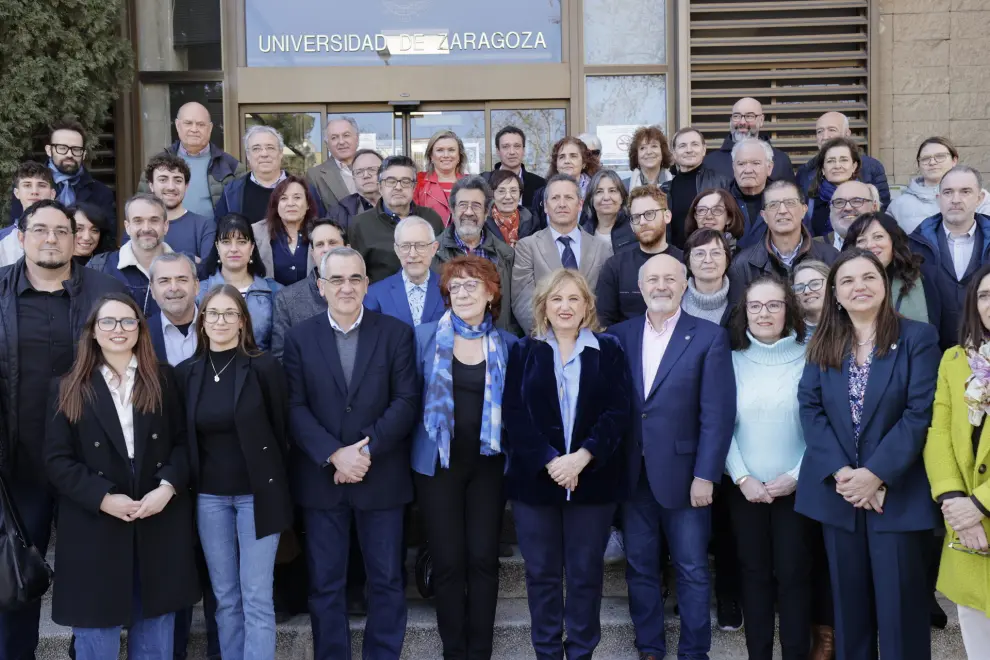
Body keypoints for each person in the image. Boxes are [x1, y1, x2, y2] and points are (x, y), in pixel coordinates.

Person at [796, 248, 941, 660]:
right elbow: (810, 408)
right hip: (840, 497)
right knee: (849, 612)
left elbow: (919, 413)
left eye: (868, 277)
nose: (858, 287)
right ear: (835, 295)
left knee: (901, 615)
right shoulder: (824, 342)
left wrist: (875, 474)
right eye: (847, 281)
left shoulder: (918, 337)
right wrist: (846, 474)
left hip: (895, 497)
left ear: (884, 284)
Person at [0, 200, 126, 660]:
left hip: (89, 466)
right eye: (40, 230)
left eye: (62, 230)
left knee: (92, 576)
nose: (51, 238)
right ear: (21, 236)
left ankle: (86, 652)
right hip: (18, 468)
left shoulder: (107, 293)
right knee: (15, 579)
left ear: (77, 239)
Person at [44, 293, 199, 660]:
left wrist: (168, 487)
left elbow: (183, 443)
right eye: (108, 322)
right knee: (97, 642)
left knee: (156, 643)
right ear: (93, 332)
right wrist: (102, 497)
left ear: (140, 330)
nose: (119, 329)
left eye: (128, 321)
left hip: (157, 516)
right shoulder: (68, 387)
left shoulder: (163, 379)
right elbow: (56, 460)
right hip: (95, 524)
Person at [284, 247, 419, 660]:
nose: (346, 287)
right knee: (325, 584)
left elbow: (406, 401)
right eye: (337, 280)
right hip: (322, 480)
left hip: (381, 477)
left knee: (386, 581)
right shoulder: (299, 337)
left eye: (355, 278)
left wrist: (363, 452)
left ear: (367, 283)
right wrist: (334, 455)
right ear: (321, 287)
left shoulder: (395, 333)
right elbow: (294, 406)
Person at [609, 253, 735, 660]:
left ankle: (694, 652)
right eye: (653, 280)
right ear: (641, 287)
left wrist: (707, 475)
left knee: (693, 570)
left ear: (685, 286)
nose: (661, 286)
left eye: (670, 279)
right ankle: (649, 648)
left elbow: (717, 414)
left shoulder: (708, 336)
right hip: (633, 476)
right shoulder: (619, 335)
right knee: (641, 568)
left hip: (686, 476)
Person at [503, 268, 631, 660]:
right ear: (543, 305)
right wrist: (550, 461)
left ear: (587, 306)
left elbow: (617, 411)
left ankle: (580, 652)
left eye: (574, 298)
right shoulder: (524, 351)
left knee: (584, 575)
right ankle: (546, 651)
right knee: (541, 575)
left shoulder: (608, 350)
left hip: (592, 482)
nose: (565, 306)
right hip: (535, 485)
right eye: (557, 299)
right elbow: (514, 415)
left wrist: (582, 457)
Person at [175, 284, 293, 660]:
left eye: (230, 313)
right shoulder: (186, 373)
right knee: (225, 598)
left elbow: (281, 430)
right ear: (202, 321)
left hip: (258, 496)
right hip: (209, 499)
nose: (221, 321)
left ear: (243, 321)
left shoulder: (264, 366)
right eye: (213, 314)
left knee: (256, 596)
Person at [413, 255, 517, 660]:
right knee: (449, 561)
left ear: (491, 292)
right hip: (438, 468)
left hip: (489, 468)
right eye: (454, 287)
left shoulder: (509, 344)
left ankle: (481, 652)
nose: (462, 293)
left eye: (471, 285)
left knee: (483, 560)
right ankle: (454, 651)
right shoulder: (422, 338)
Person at [725, 277, 812, 660]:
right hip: (745, 489)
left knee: (794, 578)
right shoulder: (729, 357)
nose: (764, 313)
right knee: (754, 577)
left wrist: (796, 475)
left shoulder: (812, 353)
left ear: (788, 309)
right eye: (755, 306)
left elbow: (824, 423)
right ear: (744, 312)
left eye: (774, 305)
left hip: (797, 488)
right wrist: (741, 476)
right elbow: (718, 422)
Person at [924, 263, 990, 658]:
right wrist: (953, 503)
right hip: (966, 528)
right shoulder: (955, 360)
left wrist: (978, 506)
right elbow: (939, 434)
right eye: (983, 295)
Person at [512, 174, 612, 335]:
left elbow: (606, 302)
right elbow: (522, 302)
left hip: (591, 339)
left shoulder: (602, 249)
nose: (562, 204)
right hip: (545, 341)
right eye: (555, 198)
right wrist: (550, 337)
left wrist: (588, 335)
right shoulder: (527, 247)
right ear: (545, 206)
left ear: (579, 204)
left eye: (568, 197)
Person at [910, 165, 990, 350]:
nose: (955, 199)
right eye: (948, 192)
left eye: (965, 191)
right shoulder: (914, 245)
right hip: (930, 352)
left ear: (980, 198)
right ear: (938, 198)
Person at [728, 181, 839, 305]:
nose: (782, 210)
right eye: (773, 205)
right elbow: (738, 318)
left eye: (790, 203)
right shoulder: (742, 265)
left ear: (804, 210)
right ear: (764, 216)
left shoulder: (830, 257)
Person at [435, 177, 519, 333]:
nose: (468, 212)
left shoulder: (506, 255)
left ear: (486, 212)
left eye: (476, 206)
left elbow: (513, 309)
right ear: (452, 210)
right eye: (462, 205)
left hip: (496, 346)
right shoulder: (433, 253)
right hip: (448, 346)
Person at [596, 185, 683, 327]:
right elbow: (604, 320)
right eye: (636, 217)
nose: (642, 222)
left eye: (649, 214)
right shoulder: (615, 266)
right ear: (631, 225)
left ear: (667, 216)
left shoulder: (684, 262)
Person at [349, 155, 445, 283]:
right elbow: (355, 274)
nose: (398, 187)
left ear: (414, 187)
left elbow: (442, 264)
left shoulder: (431, 219)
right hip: (380, 300)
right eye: (391, 181)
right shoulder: (360, 224)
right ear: (380, 187)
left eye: (405, 181)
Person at [139, 102, 245, 218]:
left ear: (209, 128)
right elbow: (141, 206)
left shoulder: (231, 167)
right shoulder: (157, 165)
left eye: (200, 124)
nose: (194, 129)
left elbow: (243, 211)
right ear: (178, 125)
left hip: (213, 235)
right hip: (167, 234)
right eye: (188, 123)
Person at [199, 213, 282, 352]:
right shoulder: (200, 292)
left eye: (242, 242)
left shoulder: (274, 292)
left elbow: (279, 349)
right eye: (226, 242)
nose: (233, 249)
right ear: (217, 247)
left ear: (252, 248)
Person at [9, 117, 115, 223]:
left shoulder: (102, 193)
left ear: (83, 154)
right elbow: (19, 228)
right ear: (49, 150)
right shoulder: (29, 187)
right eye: (62, 148)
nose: (69, 154)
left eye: (76, 149)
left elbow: (108, 237)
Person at [88, 193, 174, 318]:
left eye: (154, 220)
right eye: (138, 221)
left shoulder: (184, 268)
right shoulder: (98, 267)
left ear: (165, 226)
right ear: (127, 227)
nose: (146, 228)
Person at [214, 125, 324, 224]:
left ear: (280, 153)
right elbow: (220, 233)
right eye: (256, 149)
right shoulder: (232, 192)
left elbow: (321, 228)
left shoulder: (305, 190)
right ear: (248, 155)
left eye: (270, 148)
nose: (264, 154)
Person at [271, 217, 346, 360]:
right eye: (319, 244)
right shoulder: (287, 300)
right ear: (312, 254)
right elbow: (281, 358)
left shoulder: (366, 293)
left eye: (332, 243)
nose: (326, 249)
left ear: (347, 248)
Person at [846, 211, 937, 324]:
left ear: (893, 241)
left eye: (878, 237)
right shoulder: (844, 283)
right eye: (861, 240)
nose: (870, 245)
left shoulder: (924, 276)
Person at [890, 137, 990, 235]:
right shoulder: (899, 205)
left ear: (954, 160)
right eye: (925, 159)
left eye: (940, 156)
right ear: (918, 164)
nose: (932, 162)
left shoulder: (978, 197)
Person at [796, 112, 890, 209]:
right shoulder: (805, 171)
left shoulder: (871, 167)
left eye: (832, 130)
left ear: (847, 134)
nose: (825, 137)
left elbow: (882, 210)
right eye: (820, 131)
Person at [366, 215, 444, 328]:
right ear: (397, 250)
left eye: (421, 245)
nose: (412, 254)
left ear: (434, 248)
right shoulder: (375, 294)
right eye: (405, 246)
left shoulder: (449, 288)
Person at [665, 128, 732, 249]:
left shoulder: (722, 182)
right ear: (674, 153)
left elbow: (733, 224)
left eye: (694, 144)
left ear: (704, 150)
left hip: (710, 256)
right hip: (676, 258)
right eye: (682, 146)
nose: (689, 150)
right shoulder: (666, 189)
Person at [702, 97, 795, 184]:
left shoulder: (781, 160)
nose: (742, 122)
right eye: (736, 116)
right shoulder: (710, 163)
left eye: (749, 116)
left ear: (761, 120)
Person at [145, 153, 217, 262]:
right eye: (163, 180)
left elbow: (207, 269)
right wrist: (192, 259)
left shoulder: (205, 226)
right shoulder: (139, 225)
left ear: (186, 186)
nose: (171, 187)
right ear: (151, 186)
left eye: (178, 180)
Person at [252, 175, 319, 287]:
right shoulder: (257, 232)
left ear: (308, 204)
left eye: (297, 197)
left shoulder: (321, 231)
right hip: (271, 301)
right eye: (283, 198)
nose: (290, 203)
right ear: (276, 205)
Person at [529, 137, 601, 230]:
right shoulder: (541, 195)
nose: (567, 161)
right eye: (562, 157)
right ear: (557, 165)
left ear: (584, 163)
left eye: (573, 156)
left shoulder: (596, 192)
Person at [803, 137, 863, 238]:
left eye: (843, 160)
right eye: (831, 161)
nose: (837, 166)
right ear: (823, 169)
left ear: (854, 166)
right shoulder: (810, 201)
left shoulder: (866, 198)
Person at [147, 253, 200, 365]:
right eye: (164, 281)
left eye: (182, 280)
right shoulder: (142, 333)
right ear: (152, 290)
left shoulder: (217, 324)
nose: (174, 288)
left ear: (196, 286)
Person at [0, 161, 55, 265]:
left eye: (42, 185)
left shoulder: (66, 234)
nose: (34, 191)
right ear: (17, 193)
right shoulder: (2, 239)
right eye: (27, 185)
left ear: (52, 194)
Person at [481, 125, 546, 208]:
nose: (512, 152)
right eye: (506, 147)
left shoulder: (540, 185)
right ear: (498, 151)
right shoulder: (482, 182)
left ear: (523, 150)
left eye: (517, 146)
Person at [729, 138, 776, 249]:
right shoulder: (722, 202)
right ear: (733, 168)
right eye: (741, 164)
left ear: (769, 168)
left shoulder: (785, 201)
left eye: (755, 163)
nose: (748, 170)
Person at [306, 117, 361, 210]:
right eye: (334, 138)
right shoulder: (315, 176)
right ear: (327, 144)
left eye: (346, 135)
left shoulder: (375, 168)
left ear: (357, 139)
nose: (341, 142)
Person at [414, 130, 469, 223]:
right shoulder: (418, 182)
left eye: (451, 150)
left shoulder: (472, 182)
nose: (446, 155)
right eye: (440, 150)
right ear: (431, 156)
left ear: (459, 156)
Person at [681, 228, 732, 326]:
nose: (708, 260)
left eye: (716, 253)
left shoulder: (740, 302)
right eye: (700, 253)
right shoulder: (675, 301)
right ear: (689, 263)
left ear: (726, 261)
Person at [581, 169, 636, 254]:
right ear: (591, 199)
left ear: (622, 198)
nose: (606, 197)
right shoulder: (582, 233)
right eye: (599, 192)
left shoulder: (635, 229)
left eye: (612, 191)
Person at [326, 149, 384, 230]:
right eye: (359, 172)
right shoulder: (339, 213)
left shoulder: (400, 204)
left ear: (385, 173)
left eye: (372, 169)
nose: (366, 175)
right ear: (353, 178)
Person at [821, 179, 881, 251]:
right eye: (839, 202)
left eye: (856, 201)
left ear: (874, 207)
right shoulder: (811, 248)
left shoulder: (889, 246)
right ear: (831, 209)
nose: (847, 208)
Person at [485, 168, 539, 246]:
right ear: (493, 195)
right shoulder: (482, 222)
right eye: (501, 191)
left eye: (513, 191)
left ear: (520, 195)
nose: (508, 197)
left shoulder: (532, 222)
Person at [683, 188, 746, 255]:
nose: (709, 216)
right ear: (695, 216)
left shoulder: (741, 259)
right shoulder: (683, 257)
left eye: (717, 210)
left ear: (729, 218)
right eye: (702, 210)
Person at [623, 125, 674, 192]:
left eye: (654, 146)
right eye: (642, 148)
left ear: (662, 151)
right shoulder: (624, 187)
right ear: (636, 155)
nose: (649, 152)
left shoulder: (677, 183)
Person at [791, 260, 830, 335]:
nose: (807, 291)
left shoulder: (852, 325)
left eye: (815, 284)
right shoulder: (790, 335)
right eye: (799, 287)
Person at [71, 202, 115, 266]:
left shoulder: (110, 266)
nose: (87, 237)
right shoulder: (54, 265)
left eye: (94, 230)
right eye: (78, 229)